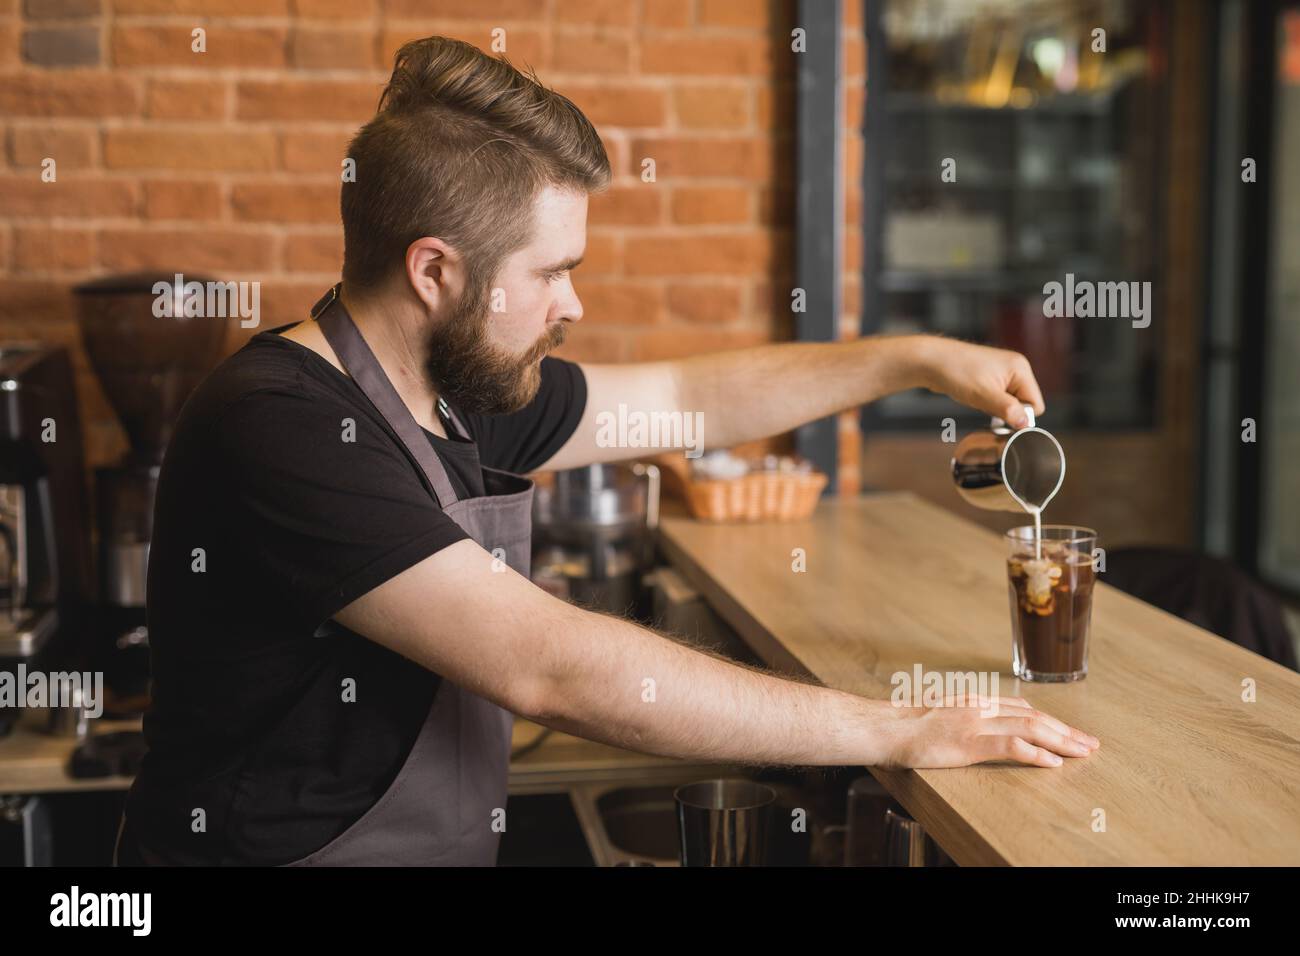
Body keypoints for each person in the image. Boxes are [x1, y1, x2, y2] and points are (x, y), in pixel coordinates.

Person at [116, 36, 1097, 867]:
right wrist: (899, 727)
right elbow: (552, 666)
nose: (573, 304)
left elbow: (681, 400)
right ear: (434, 272)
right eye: (551, 272)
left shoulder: (453, 388)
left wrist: (912, 359)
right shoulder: (279, 423)